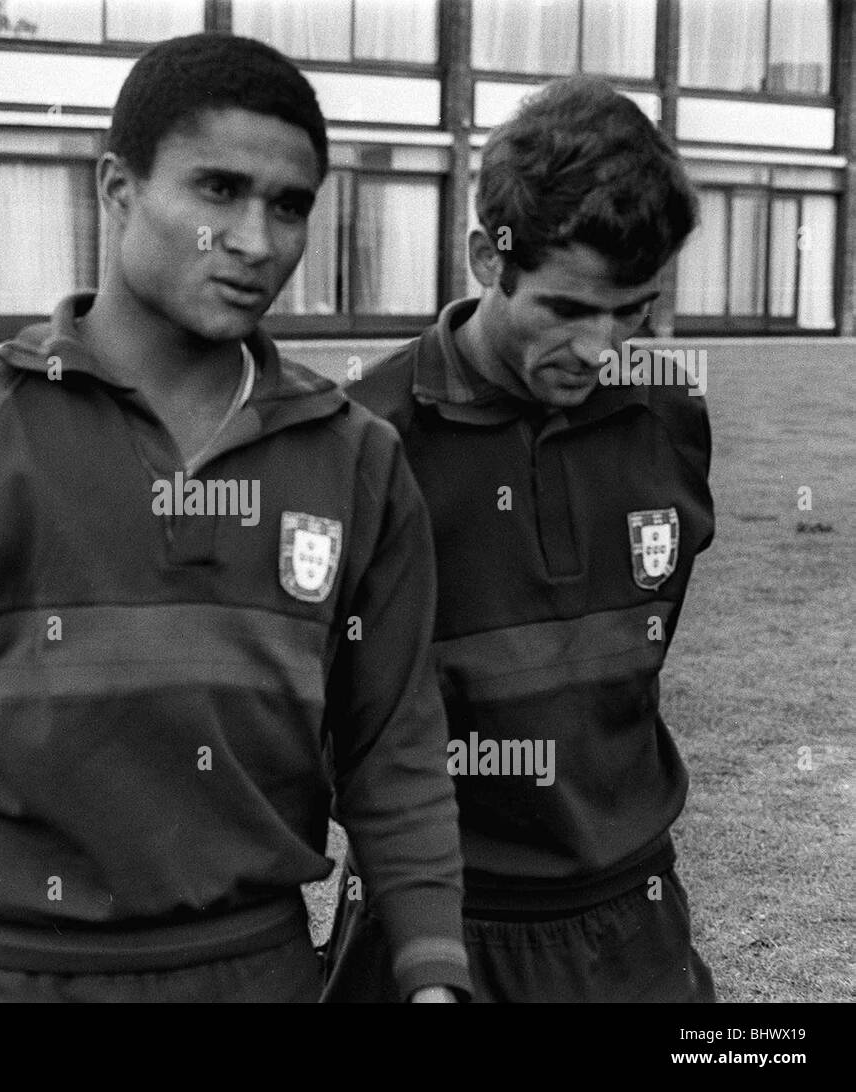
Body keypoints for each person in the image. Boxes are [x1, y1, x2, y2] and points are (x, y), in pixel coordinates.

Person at [0, 32, 468, 1004]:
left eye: (289, 206)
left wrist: (431, 974)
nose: (255, 239)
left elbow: (393, 749)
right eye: (217, 190)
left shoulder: (355, 457)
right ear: (116, 188)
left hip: (257, 973)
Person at [325, 75, 716, 1003]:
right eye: (569, 310)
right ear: (483, 256)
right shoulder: (364, 444)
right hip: (438, 928)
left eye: (636, 309)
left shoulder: (670, 416)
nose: (604, 346)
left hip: (638, 919)